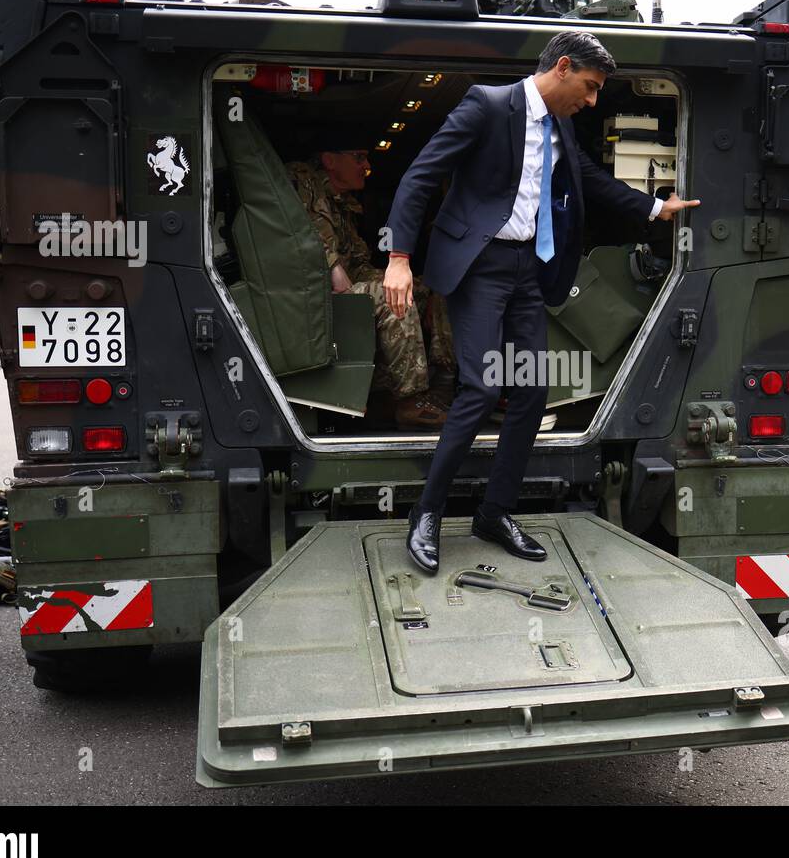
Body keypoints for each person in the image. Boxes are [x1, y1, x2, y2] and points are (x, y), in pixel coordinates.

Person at [386, 30, 700, 573]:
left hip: (526, 271)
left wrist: (653, 209)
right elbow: (421, 176)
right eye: (590, 86)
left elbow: (590, 181)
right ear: (561, 68)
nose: (593, 99)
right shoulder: (486, 105)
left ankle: (494, 513)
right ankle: (427, 514)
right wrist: (398, 257)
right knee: (482, 386)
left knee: (532, 392)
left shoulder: (561, 122)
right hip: (478, 268)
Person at [286, 132, 456, 430]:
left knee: (428, 288)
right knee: (389, 294)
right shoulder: (302, 181)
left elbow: (359, 262)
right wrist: (333, 267)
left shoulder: (341, 202)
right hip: (312, 291)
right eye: (358, 157)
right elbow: (299, 231)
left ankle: (442, 381)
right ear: (330, 160)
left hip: (344, 284)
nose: (366, 166)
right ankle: (409, 401)